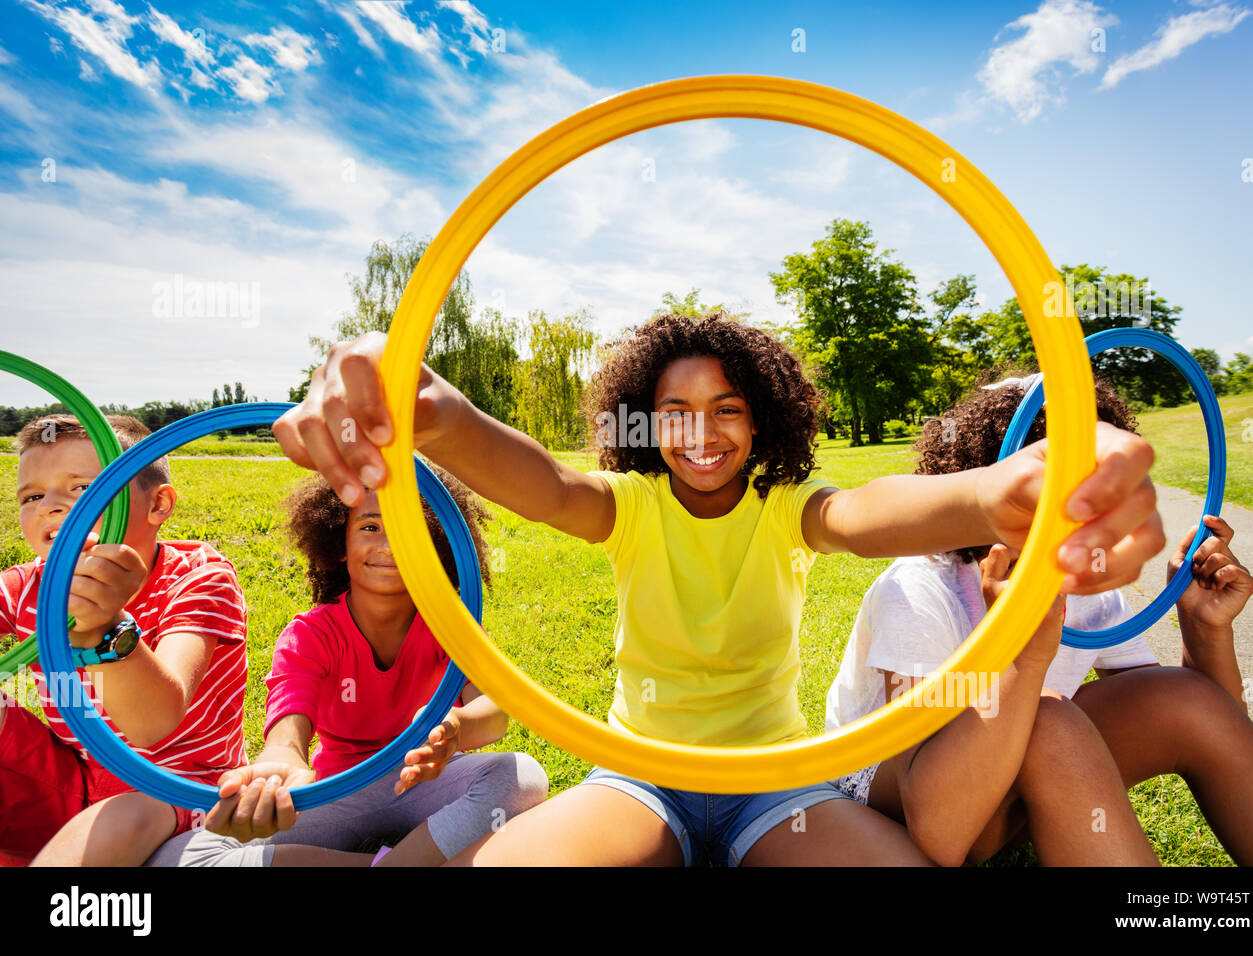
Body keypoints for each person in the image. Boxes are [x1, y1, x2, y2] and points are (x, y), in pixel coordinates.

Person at [272, 314, 1166, 866]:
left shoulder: (788, 511)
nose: (702, 433)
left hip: (776, 784)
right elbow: (541, 482)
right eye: (675, 412)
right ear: (643, 423)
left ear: (764, 417)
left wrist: (991, 493)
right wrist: (428, 408)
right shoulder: (627, 506)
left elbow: (868, 514)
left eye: (728, 408)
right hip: (641, 779)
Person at [825, 370, 1253, 865]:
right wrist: (1021, 654)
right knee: (1046, 716)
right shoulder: (922, 585)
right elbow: (941, 835)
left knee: (1173, 697)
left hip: (1012, 779)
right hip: (904, 802)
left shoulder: (1086, 575)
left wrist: (1205, 631)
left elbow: (1196, 724)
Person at [146, 469, 548, 866]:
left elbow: (495, 712)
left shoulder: (449, 624)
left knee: (521, 776)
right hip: (337, 791)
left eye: (408, 529)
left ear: (433, 546)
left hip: (428, 782)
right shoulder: (311, 635)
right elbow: (287, 731)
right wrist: (283, 765)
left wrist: (454, 728)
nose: (388, 545)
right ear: (340, 542)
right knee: (179, 856)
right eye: (370, 527)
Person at [0, 414, 248, 866]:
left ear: (157, 505)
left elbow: (155, 722)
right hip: (74, 779)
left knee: (122, 817)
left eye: (80, 488)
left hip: (175, 789)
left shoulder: (198, 579)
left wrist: (104, 626)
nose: (50, 507)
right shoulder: (25, 587)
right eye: (32, 495)